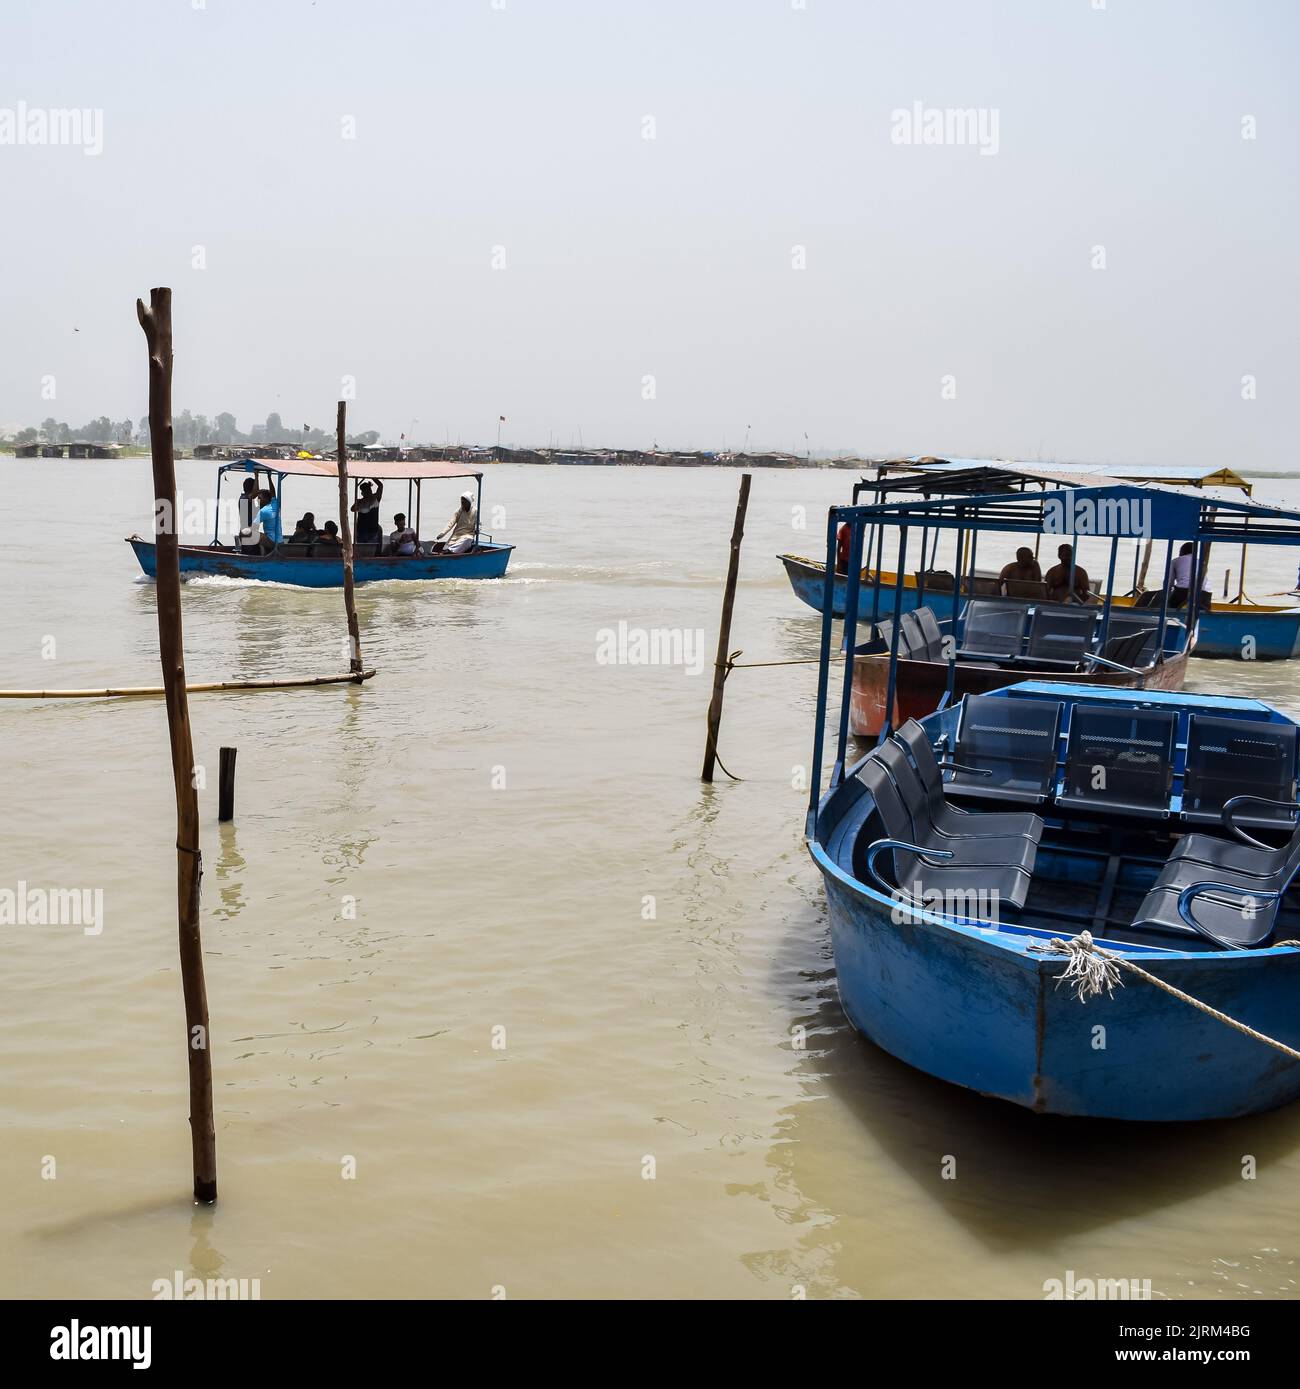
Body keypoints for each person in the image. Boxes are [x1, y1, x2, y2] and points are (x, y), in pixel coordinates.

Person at [1169, 542, 1210, 610]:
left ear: (1182, 551)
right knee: (1203, 611)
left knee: (1171, 606)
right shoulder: (1202, 562)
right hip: (1205, 593)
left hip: (1183, 591)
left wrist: (1167, 596)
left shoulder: (1175, 561)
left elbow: (1169, 582)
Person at [352, 480, 384, 545]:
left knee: (369, 550)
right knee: (361, 550)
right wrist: (358, 501)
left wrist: (372, 477)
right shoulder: (360, 501)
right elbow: (352, 509)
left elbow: (380, 485)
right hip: (362, 531)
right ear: (362, 493)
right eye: (366, 492)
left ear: (370, 491)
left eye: (369, 491)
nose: (368, 493)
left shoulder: (375, 498)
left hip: (372, 531)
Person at [237, 477, 261, 554]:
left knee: (251, 554)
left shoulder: (248, 499)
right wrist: (257, 475)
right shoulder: (245, 498)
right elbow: (256, 493)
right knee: (251, 555)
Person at [255, 485, 281, 554]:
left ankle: (260, 556)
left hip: (273, 542)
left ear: (266, 499)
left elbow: (253, 526)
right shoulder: (275, 505)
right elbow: (273, 493)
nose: (258, 501)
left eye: (260, 498)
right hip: (280, 541)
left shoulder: (264, 511)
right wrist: (269, 477)